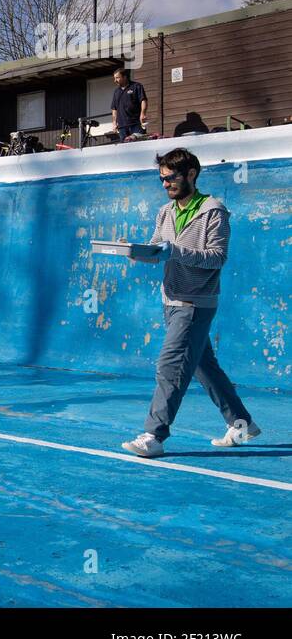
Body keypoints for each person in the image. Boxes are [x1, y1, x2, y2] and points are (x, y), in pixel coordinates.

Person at [121, 148, 259, 458]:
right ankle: (242, 424)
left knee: (170, 366)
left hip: (196, 303)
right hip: (171, 300)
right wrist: (134, 251)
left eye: (170, 177)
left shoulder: (213, 211)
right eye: (162, 178)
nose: (165, 184)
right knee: (202, 365)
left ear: (191, 175)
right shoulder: (165, 212)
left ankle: (153, 435)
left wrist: (175, 251)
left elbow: (217, 258)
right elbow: (159, 250)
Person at [110, 67, 149, 142]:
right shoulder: (116, 92)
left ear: (125, 77)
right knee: (125, 150)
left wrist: (143, 114)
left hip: (136, 124)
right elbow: (114, 108)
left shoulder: (137, 86)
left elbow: (143, 100)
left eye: (117, 78)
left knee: (139, 145)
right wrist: (114, 122)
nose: (115, 81)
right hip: (122, 127)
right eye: (114, 78)